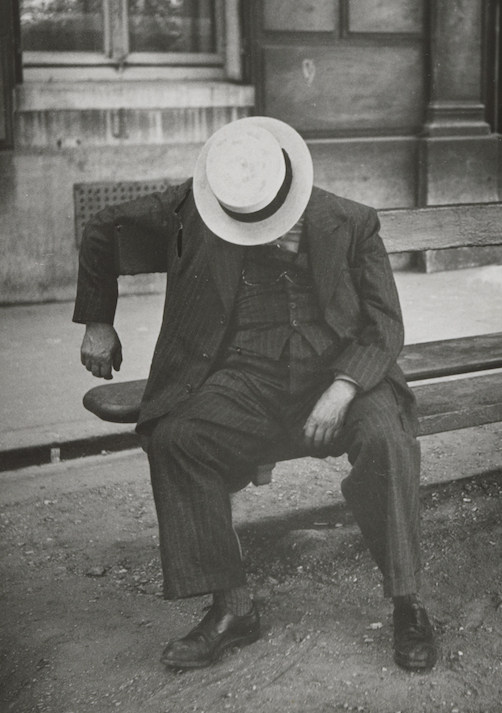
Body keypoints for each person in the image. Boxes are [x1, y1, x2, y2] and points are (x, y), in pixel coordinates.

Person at [74, 117, 436, 672]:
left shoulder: (351, 221)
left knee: (388, 438)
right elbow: (105, 225)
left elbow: (385, 325)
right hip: (248, 378)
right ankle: (234, 608)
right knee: (177, 438)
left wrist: (343, 387)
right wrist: (98, 320)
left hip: (340, 374)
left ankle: (408, 603)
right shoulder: (198, 204)